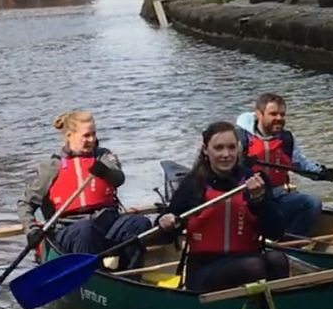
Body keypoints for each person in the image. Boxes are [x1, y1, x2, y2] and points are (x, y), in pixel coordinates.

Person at [157, 121, 289, 293]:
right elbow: (164, 236)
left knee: (278, 259)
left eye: (231, 147)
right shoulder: (193, 184)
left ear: (238, 149)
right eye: (218, 148)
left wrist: (259, 201)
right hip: (205, 269)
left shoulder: (254, 180)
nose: (226, 154)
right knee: (253, 266)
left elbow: (276, 233)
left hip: (246, 257)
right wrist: (165, 223)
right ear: (206, 150)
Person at [17, 111, 149, 257]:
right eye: (86, 136)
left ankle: (129, 271)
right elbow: (25, 204)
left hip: (107, 223)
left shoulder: (104, 157)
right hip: (70, 230)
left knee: (139, 223)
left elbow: (119, 179)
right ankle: (89, 274)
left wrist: (105, 172)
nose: (91, 139)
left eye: (93, 134)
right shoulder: (52, 167)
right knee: (86, 230)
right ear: (69, 136)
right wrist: (31, 230)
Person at [234, 94, 333, 238]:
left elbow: (300, 164)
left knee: (312, 203)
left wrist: (321, 172)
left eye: (282, 114)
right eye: (273, 114)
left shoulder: (286, 139)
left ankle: (286, 243)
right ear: (259, 114)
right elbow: (224, 170)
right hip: (249, 201)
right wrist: (241, 165)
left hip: (278, 198)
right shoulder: (241, 139)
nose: (279, 118)